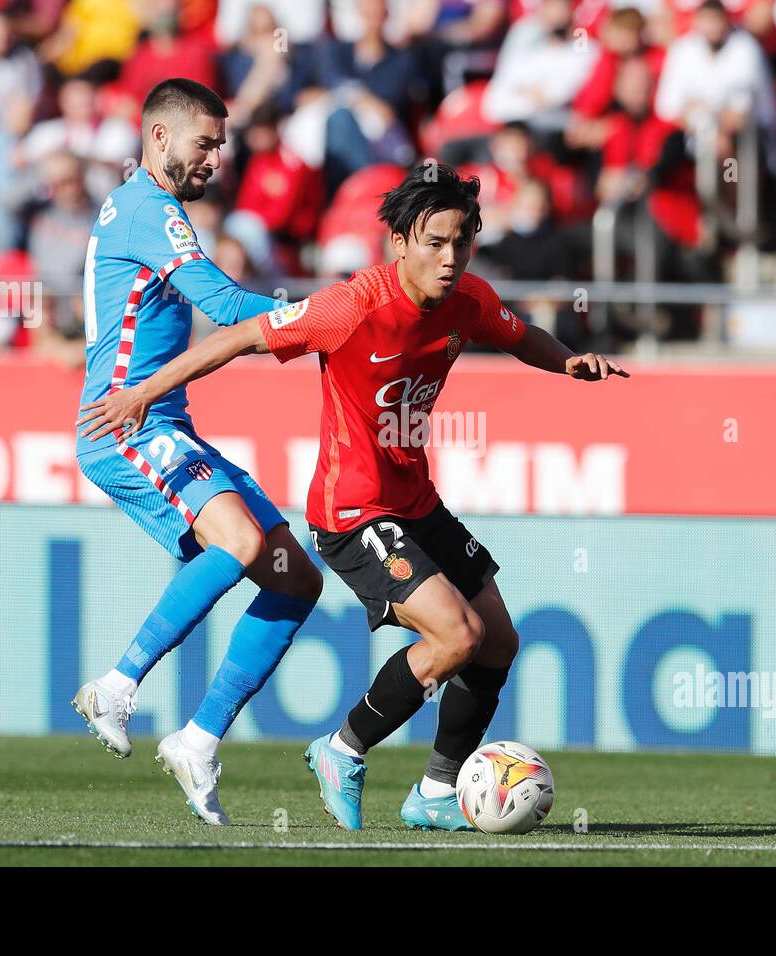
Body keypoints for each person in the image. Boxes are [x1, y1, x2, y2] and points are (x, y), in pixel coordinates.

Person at [76, 163, 627, 830]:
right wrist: (141, 392)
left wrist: (566, 359)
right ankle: (342, 749)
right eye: (434, 243)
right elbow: (235, 336)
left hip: (417, 503)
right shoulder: (351, 304)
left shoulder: (470, 300)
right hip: (351, 510)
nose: (449, 258)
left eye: (461, 242)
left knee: (499, 643)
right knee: (457, 634)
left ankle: (433, 792)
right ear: (399, 242)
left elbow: (519, 335)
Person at [70, 78, 323, 825]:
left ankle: (198, 738)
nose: (216, 155)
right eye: (204, 141)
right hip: (129, 427)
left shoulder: (148, 208)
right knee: (241, 542)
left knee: (293, 577)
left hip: (167, 424)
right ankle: (116, 686)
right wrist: (322, 312)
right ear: (158, 137)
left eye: (221, 143)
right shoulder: (151, 209)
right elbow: (223, 307)